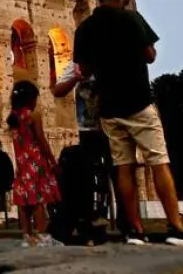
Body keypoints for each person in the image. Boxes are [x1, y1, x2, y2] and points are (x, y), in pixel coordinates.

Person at [73, 0, 183, 246]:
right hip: (138, 101)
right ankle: (176, 228)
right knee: (159, 161)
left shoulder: (85, 29)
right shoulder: (131, 18)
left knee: (123, 166)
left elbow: (84, 69)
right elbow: (150, 56)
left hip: (109, 108)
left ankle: (135, 231)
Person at [52, 50, 112, 244]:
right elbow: (58, 90)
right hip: (88, 128)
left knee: (118, 172)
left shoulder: (110, 62)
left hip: (114, 125)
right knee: (85, 175)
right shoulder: (76, 65)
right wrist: (76, 78)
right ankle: (88, 217)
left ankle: (126, 222)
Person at [8, 81, 61, 247]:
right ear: (30, 98)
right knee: (38, 199)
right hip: (35, 161)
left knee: (24, 201)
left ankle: (27, 236)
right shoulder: (33, 115)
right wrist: (52, 160)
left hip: (21, 163)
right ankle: (43, 236)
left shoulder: (13, 117)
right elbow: (41, 140)